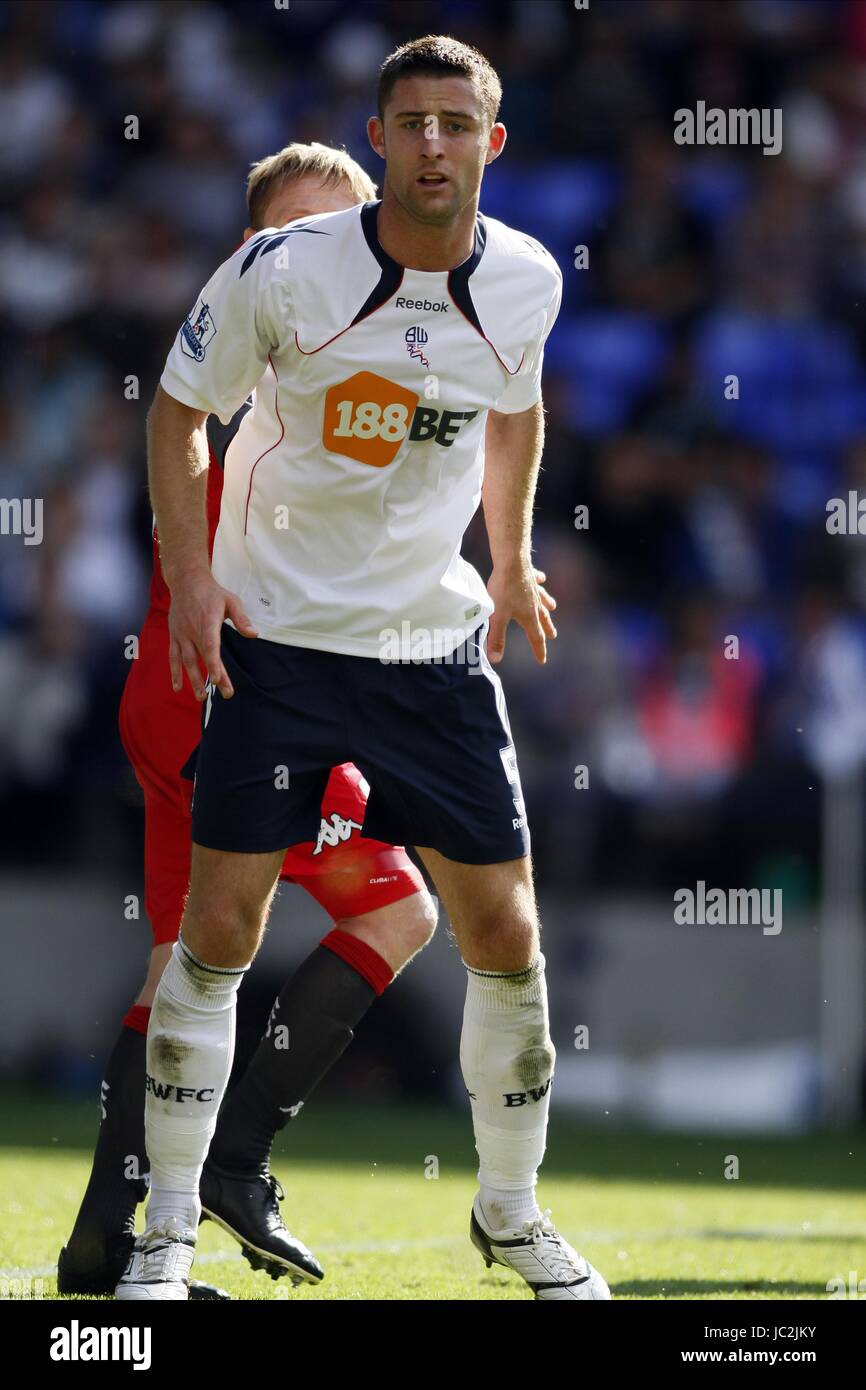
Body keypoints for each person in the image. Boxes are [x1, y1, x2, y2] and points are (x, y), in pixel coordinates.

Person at [119, 35, 608, 1302]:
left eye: (457, 122)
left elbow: (518, 403)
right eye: (410, 122)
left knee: (503, 935)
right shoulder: (284, 270)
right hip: (277, 646)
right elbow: (175, 410)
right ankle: (162, 1234)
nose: (433, 143)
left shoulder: (526, 281)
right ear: (378, 138)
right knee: (217, 931)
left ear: (490, 144)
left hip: (430, 655)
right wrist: (188, 582)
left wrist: (506, 561)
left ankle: (507, 1215)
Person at [59, 144, 440, 1299]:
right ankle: (233, 1157)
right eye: (300, 236)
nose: (331, 259)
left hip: (180, 694)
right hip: (236, 698)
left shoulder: (298, 377)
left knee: (177, 969)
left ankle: (98, 1251)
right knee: (399, 908)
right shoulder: (265, 382)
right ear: (251, 254)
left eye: (348, 233)